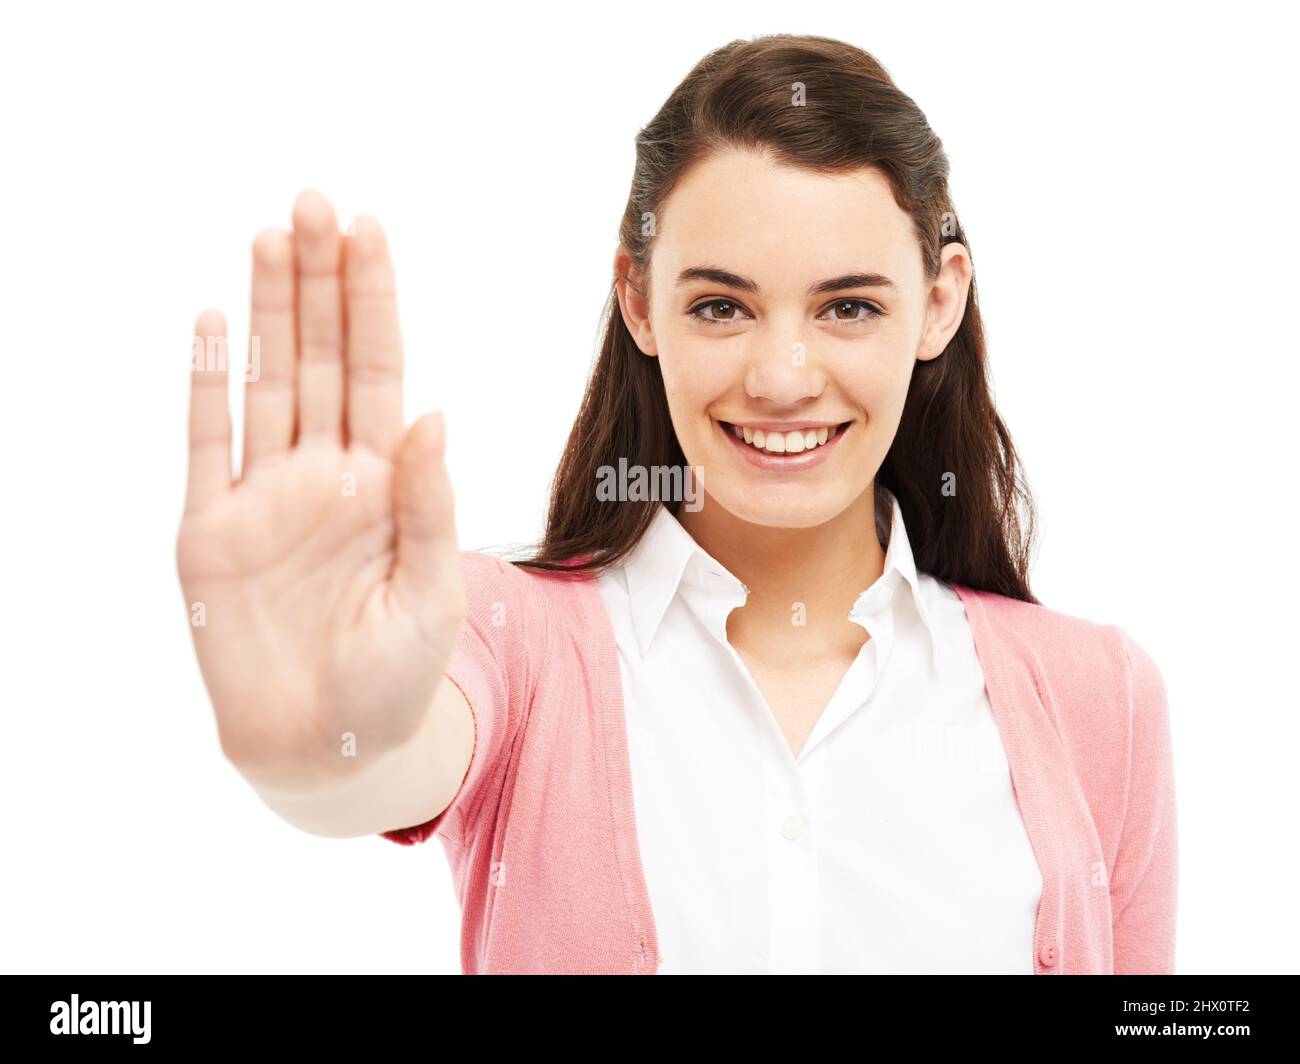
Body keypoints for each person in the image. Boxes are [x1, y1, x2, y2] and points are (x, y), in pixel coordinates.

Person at [176, 34, 1177, 975]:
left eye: (848, 306)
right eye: (720, 306)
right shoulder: (513, 640)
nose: (783, 377)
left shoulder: (1101, 699)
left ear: (940, 300)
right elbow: (389, 755)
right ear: (638, 299)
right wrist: (316, 747)